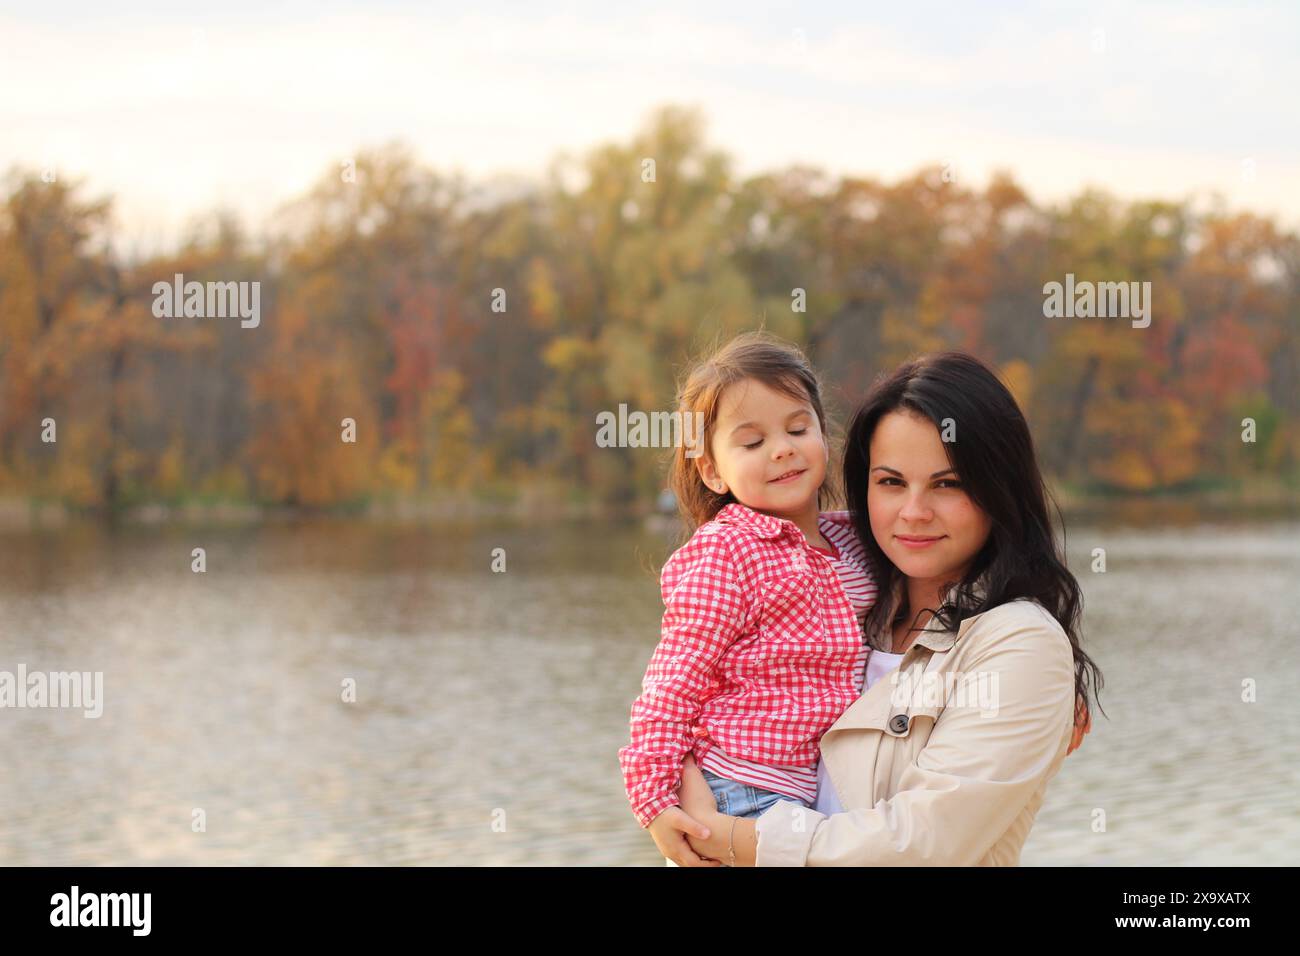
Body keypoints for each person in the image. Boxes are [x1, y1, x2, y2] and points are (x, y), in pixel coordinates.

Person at [674, 350, 1101, 866]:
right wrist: (668, 808)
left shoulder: (1017, 642)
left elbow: (919, 846)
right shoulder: (835, 603)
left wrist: (730, 841)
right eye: (891, 482)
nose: (914, 513)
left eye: (949, 484)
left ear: (998, 489)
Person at [617, 331, 879, 867]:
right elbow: (673, 681)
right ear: (712, 469)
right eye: (752, 442)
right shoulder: (726, 551)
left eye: (798, 428)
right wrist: (652, 798)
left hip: (818, 794)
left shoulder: (854, 540)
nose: (782, 448)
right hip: (742, 788)